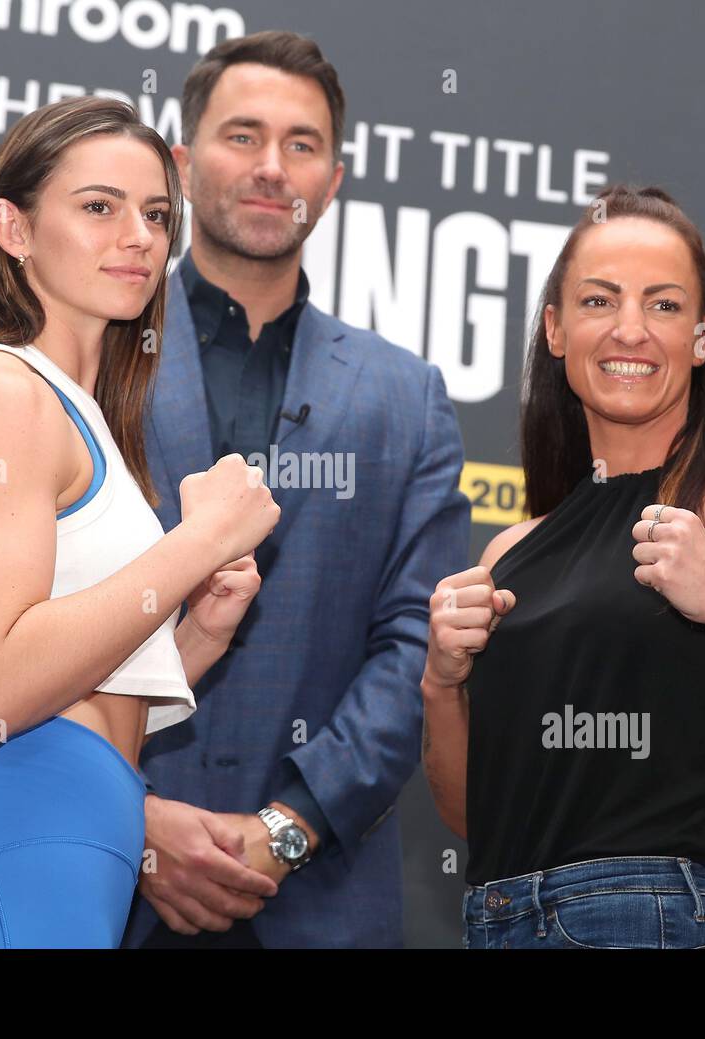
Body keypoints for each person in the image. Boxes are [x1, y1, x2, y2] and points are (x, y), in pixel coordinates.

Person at [421, 184, 705, 950]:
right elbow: (477, 820)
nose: (630, 330)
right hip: (497, 918)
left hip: (650, 921)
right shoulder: (509, 553)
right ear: (556, 329)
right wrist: (441, 683)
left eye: (665, 306)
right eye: (600, 301)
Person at [0, 97, 279, 948]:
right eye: (99, 207)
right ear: (13, 229)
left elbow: (88, 700)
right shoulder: (2, 391)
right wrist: (196, 543)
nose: (140, 236)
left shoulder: (79, 411)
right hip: (6, 875)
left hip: (62, 870)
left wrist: (195, 632)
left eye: (158, 214)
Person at [121, 31, 472, 949]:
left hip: (317, 898)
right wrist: (132, 818)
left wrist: (289, 828)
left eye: (302, 145)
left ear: (335, 179)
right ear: (182, 163)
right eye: (243, 136)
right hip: (98, 878)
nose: (273, 168)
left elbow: (415, 643)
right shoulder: (86, 353)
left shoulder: (408, 398)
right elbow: (22, 617)